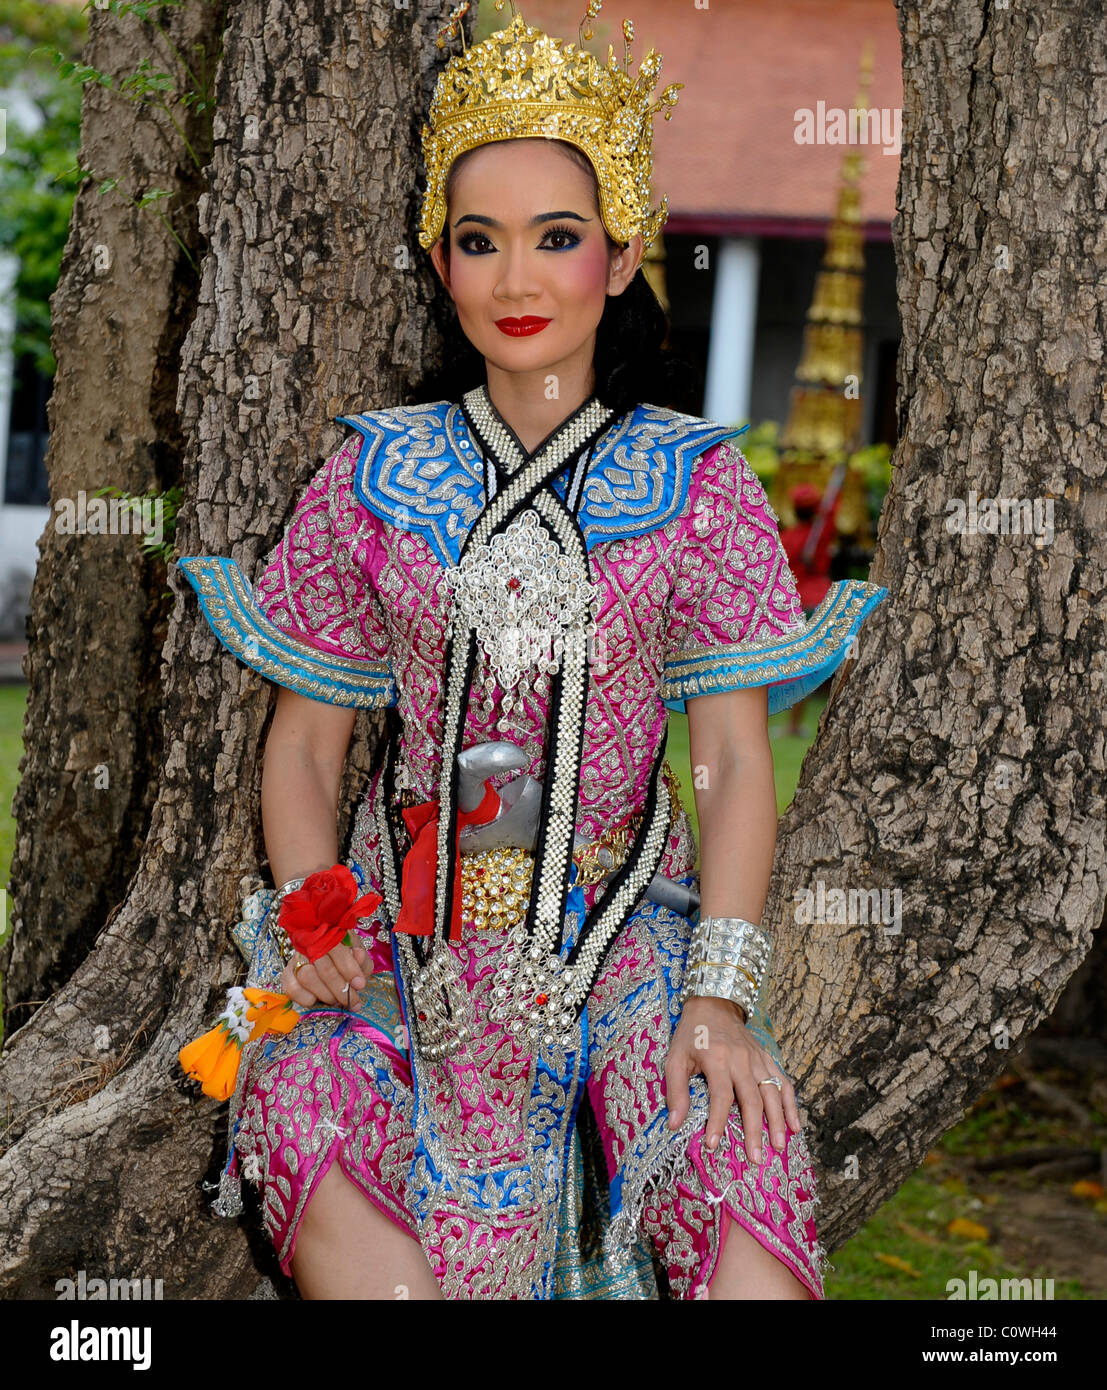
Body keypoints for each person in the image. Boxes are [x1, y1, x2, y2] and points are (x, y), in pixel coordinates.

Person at [178, 0, 886, 1301]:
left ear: (619, 257)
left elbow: (728, 758)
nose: (515, 279)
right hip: (408, 919)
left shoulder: (689, 483)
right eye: (479, 242)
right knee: (307, 1108)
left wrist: (718, 990)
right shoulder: (374, 476)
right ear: (438, 264)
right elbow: (307, 742)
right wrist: (307, 907)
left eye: (555, 239)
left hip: (623, 921)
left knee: (735, 1177)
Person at [779, 482, 840, 736]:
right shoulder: (822, 531)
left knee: (800, 666)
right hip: (824, 601)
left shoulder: (786, 538)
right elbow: (833, 508)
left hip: (798, 604)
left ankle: (794, 725)